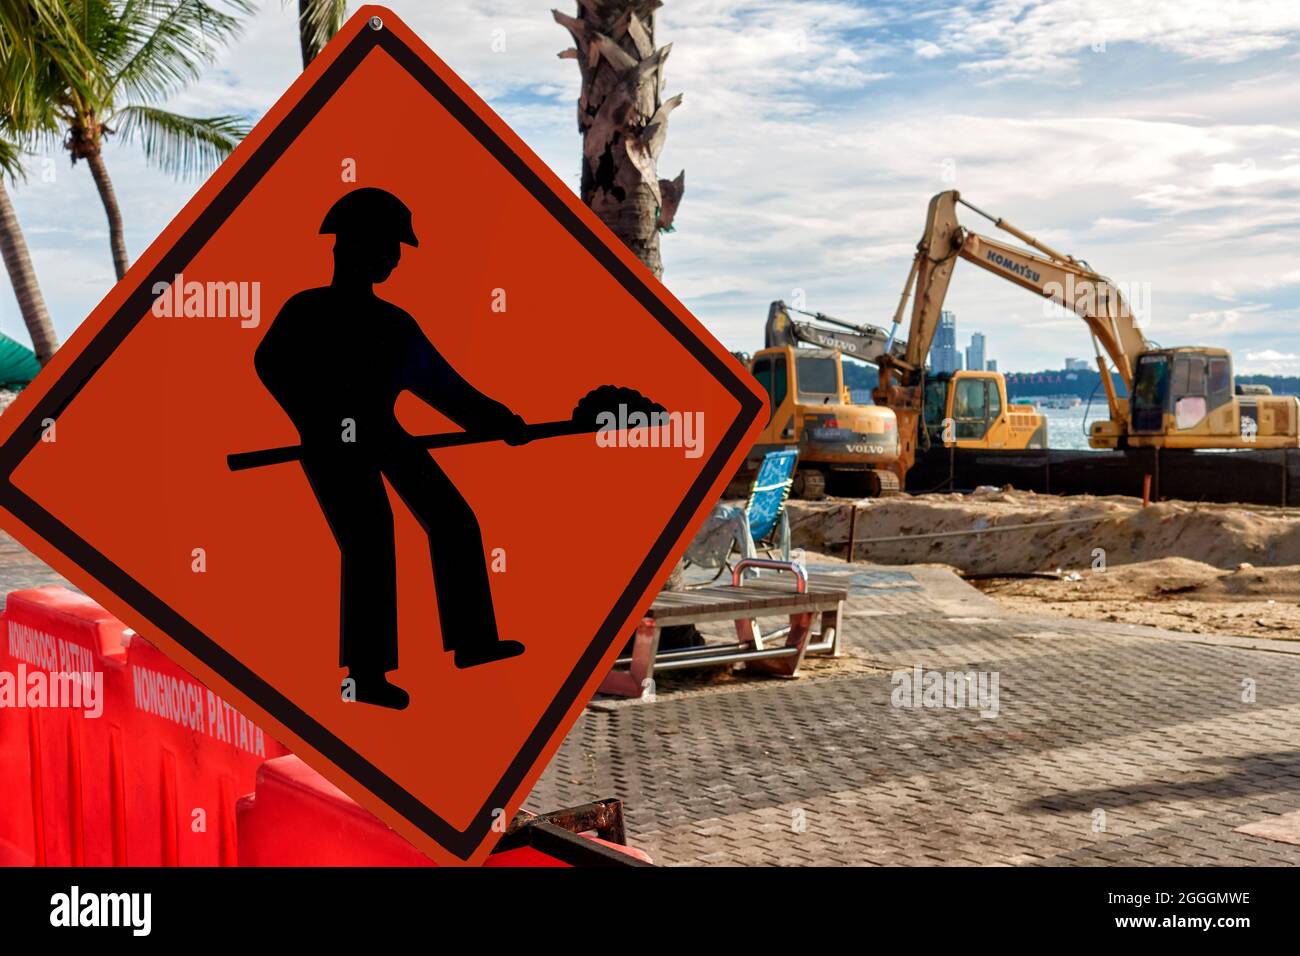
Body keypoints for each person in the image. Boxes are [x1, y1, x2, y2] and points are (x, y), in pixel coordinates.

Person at [253, 187, 526, 710]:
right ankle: (365, 674)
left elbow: (447, 389)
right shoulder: (306, 311)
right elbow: (271, 365)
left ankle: (472, 642)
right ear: (348, 248)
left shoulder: (393, 324)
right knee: (371, 539)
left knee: (454, 521)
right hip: (331, 446)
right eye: (387, 247)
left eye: (395, 250)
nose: (394, 259)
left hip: (384, 431)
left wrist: (500, 422)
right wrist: (316, 420)